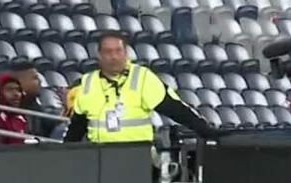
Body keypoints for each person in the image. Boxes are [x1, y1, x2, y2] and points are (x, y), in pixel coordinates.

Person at [64, 31, 217, 144]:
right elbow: (77, 126)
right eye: (108, 52)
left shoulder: (143, 77)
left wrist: (206, 131)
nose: (114, 56)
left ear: (126, 53)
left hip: (137, 157)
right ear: (99, 55)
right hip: (100, 158)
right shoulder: (87, 83)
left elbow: (176, 109)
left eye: (118, 51)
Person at [9, 61, 59, 138]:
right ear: (19, 82)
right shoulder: (6, 107)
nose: (40, 81)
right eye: (35, 78)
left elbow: (47, 122)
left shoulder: (33, 104)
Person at [0, 74, 28, 145]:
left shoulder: (28, 117)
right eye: (9, 89)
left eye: (18, 90)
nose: (16, 94)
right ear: (0, 93)